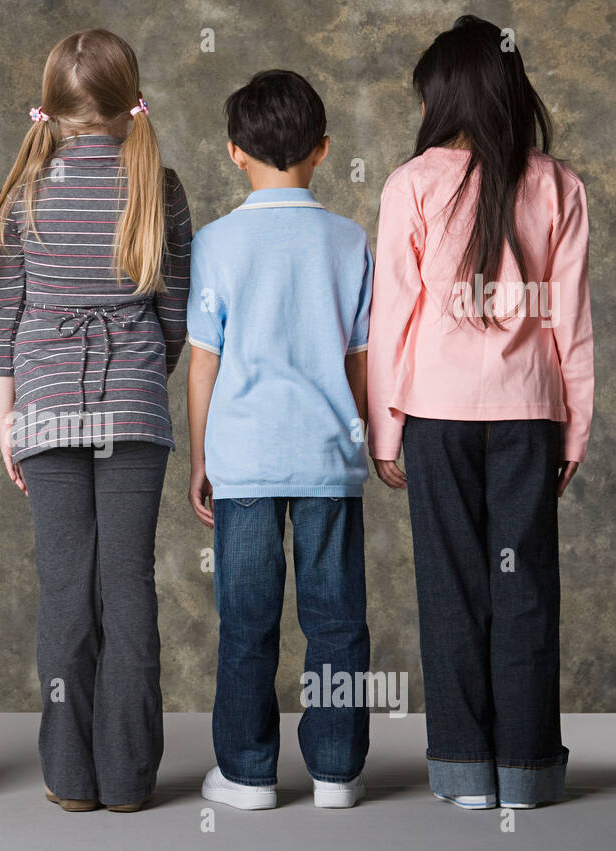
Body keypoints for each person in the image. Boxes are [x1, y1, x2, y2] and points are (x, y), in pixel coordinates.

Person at [368, 15, 594, 810]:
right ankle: (528, 773)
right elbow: (573, 320)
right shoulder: (558, 183)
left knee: (452, 585)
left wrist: (385, 426)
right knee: (526, 585)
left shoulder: (411, 183)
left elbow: (392, 317)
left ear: (447, 93)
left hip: (436, 413)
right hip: (531, 412)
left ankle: (465, 771)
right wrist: (575, 428)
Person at [0, 29, 192, 812]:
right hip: (135, 409)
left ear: (52, 105)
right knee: (128, 585)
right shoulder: (158, 185)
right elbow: (173, 318)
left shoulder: (22, 192)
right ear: (127, 97)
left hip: (42, 413)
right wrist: (138, 380)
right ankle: (130, 776)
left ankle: (71, 779)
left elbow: (4, 325)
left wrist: (8, 424)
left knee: (65, 590)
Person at [187, 69, 373, 811]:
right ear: (323, 150)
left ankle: (247, 773)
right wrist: (355, 436)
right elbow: (362, 360)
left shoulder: (215, 241)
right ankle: (336, 771)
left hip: (245, 459)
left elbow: (205, 361)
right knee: (337, 620)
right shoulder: (351, 239)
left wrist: (202, 456)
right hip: (328, 454)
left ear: (235, 152)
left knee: (248, 619)